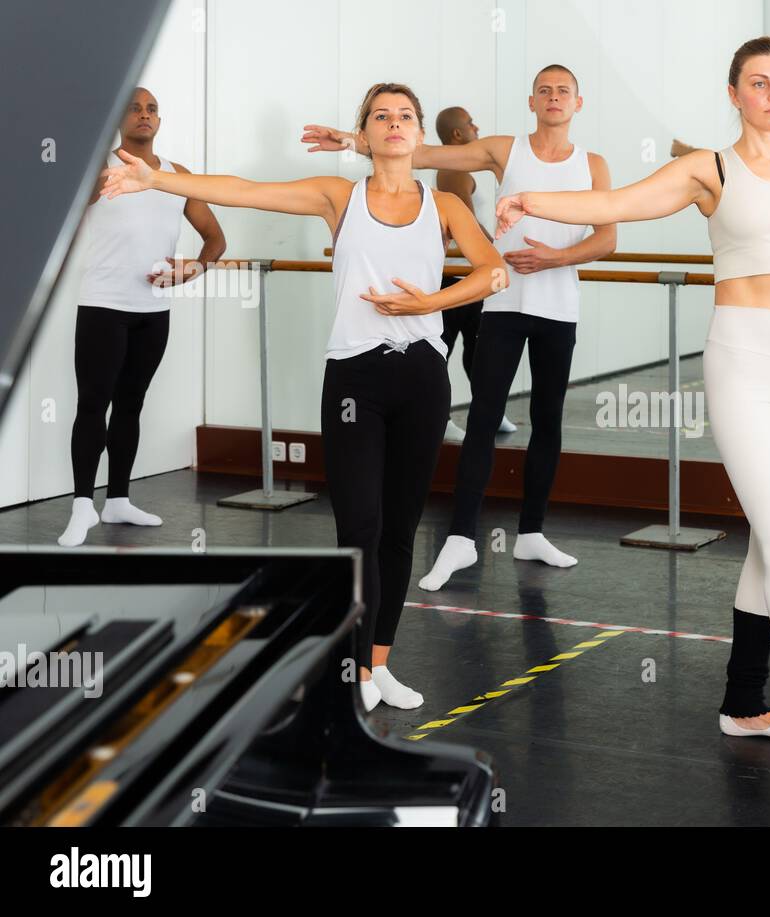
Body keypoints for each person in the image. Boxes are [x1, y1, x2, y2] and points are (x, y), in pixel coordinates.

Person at [494, 36, 770, 817]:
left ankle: (744, 702)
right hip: (743, 362)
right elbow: (618, 204)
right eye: (758, 81)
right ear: (734, 93)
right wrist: (533, 202)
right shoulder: (710, 170)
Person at [104, 82, 506, 710]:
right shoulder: (338, 196)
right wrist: (158, 181)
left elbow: (493, 272)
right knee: (360, 527)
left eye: (405, 116)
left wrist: (429, 302)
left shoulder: (445, 205)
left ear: (418, 132)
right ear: (365, 134)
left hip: (424, 378)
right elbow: (243, 190)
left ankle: (379, 663)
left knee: (400, 530)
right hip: (355, 380)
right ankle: (355, 669)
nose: (394, 123)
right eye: (381, 116)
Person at [304, 64, 616, 588]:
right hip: (502, 304)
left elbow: (608, 238)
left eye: (564, 91)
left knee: (548, 417)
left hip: (558, 305)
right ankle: (460, 540)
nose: (554, 97)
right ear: (531, 100)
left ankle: (532, 531)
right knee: (484, 417)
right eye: (544, 90)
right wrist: (356, 142)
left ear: (578, 103)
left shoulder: (594, 164)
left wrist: (556, 258)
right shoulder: (503, 149)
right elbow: (423, 154)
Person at [59, 87, 226, 548]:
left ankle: (117, 499)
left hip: (153, 311)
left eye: (152, 109)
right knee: (93, 404)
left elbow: (215, 239)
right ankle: (81, 505)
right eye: (134, 108)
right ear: (119, 118)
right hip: (103, 306)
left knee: (131, 403)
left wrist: (190, 270)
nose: (144, 115)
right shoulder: (101, 170)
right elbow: (62, 216)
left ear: (160, 119)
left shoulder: (176, 176)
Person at [430, 105, 517, 442]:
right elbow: (465, 223)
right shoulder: (454, 170)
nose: (476, 127)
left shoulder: (455, 170)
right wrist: (495, 251)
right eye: (470, 123)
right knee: (444, 351)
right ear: (457, 134)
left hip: (467, 275)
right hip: (458, 276)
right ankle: (439, 418)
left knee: (477, 351)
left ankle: (490, 411)